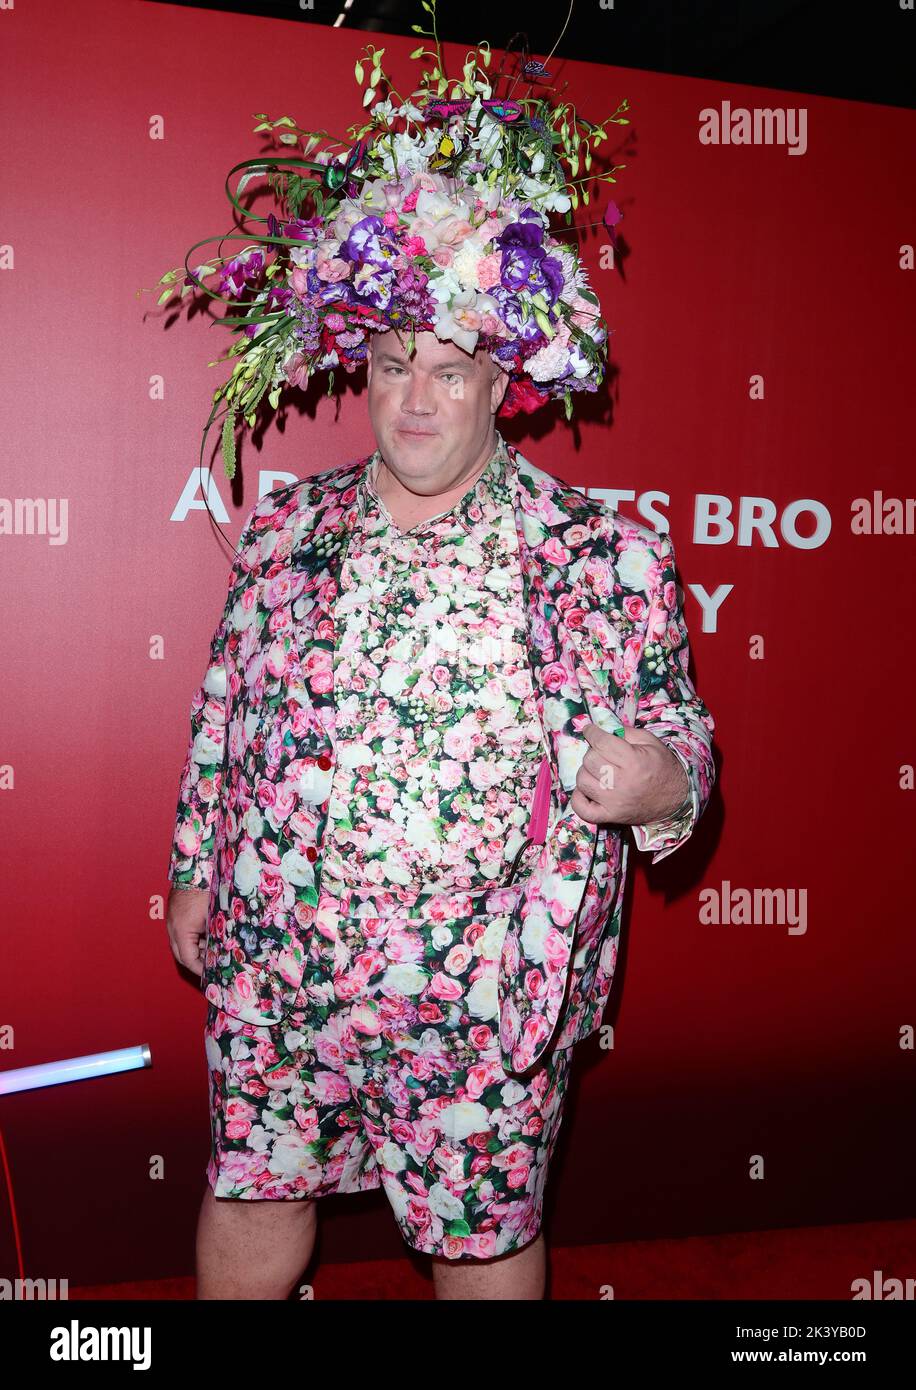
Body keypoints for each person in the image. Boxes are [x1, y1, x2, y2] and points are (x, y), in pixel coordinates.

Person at [160, 23, 716, 1299]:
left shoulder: (603, 553)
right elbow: (223, 707)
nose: (415, 396)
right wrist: (194, 869)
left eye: (449, 370)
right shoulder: (290, 520)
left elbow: (683, 749)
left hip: (484, 987)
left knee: (484, 1240)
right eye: (395, 361)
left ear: (499, 384)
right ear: (363, 364)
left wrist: (655, 783)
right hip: (280, 954)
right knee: (250, 1189)